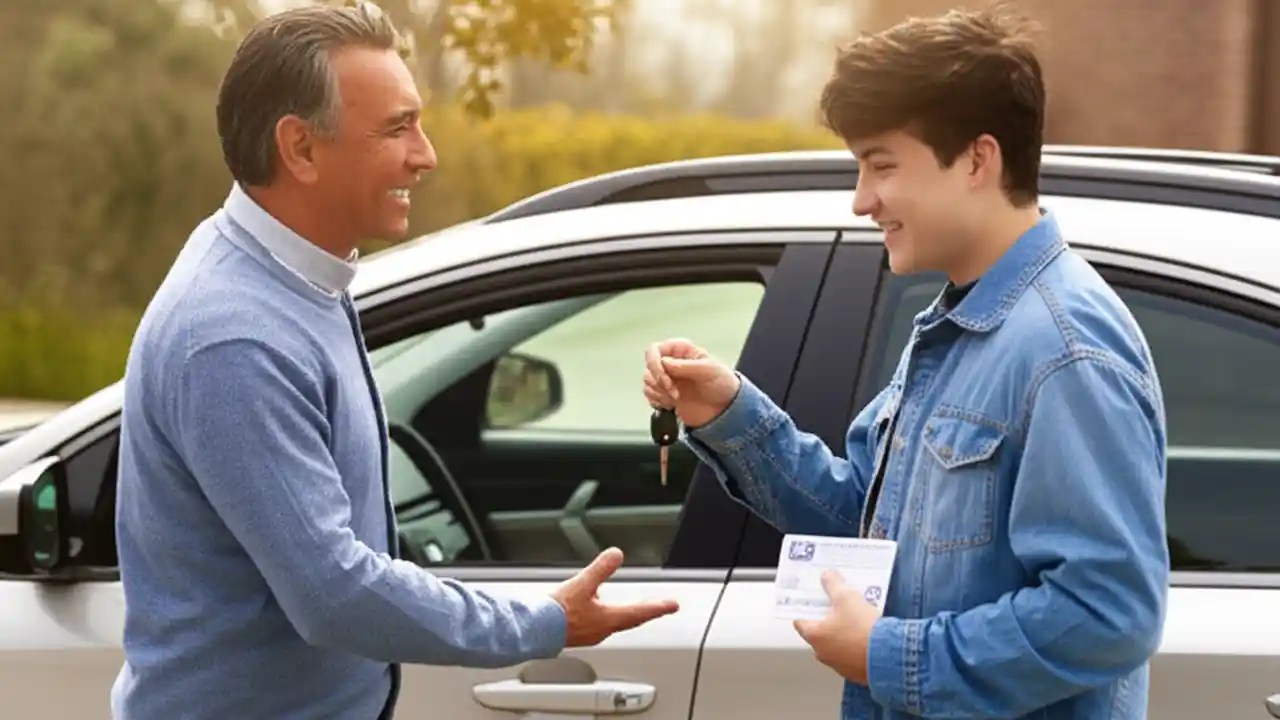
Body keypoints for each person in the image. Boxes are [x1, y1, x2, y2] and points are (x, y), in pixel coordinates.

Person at [111, 4, 677, 719]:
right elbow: (334, 596)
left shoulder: (295, 277)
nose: (426, 153)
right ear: (301, 149)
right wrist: (543, 624)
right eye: (397, 127)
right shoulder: (234, 336)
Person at [643, 5, 1168, 720]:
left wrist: (888, 656)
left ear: (979, 159)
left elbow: (1108, 613)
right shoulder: (961, 323)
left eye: (881, 166)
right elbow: (862, 524)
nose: (862, 201)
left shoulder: (1066, 348)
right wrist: (728, 414)